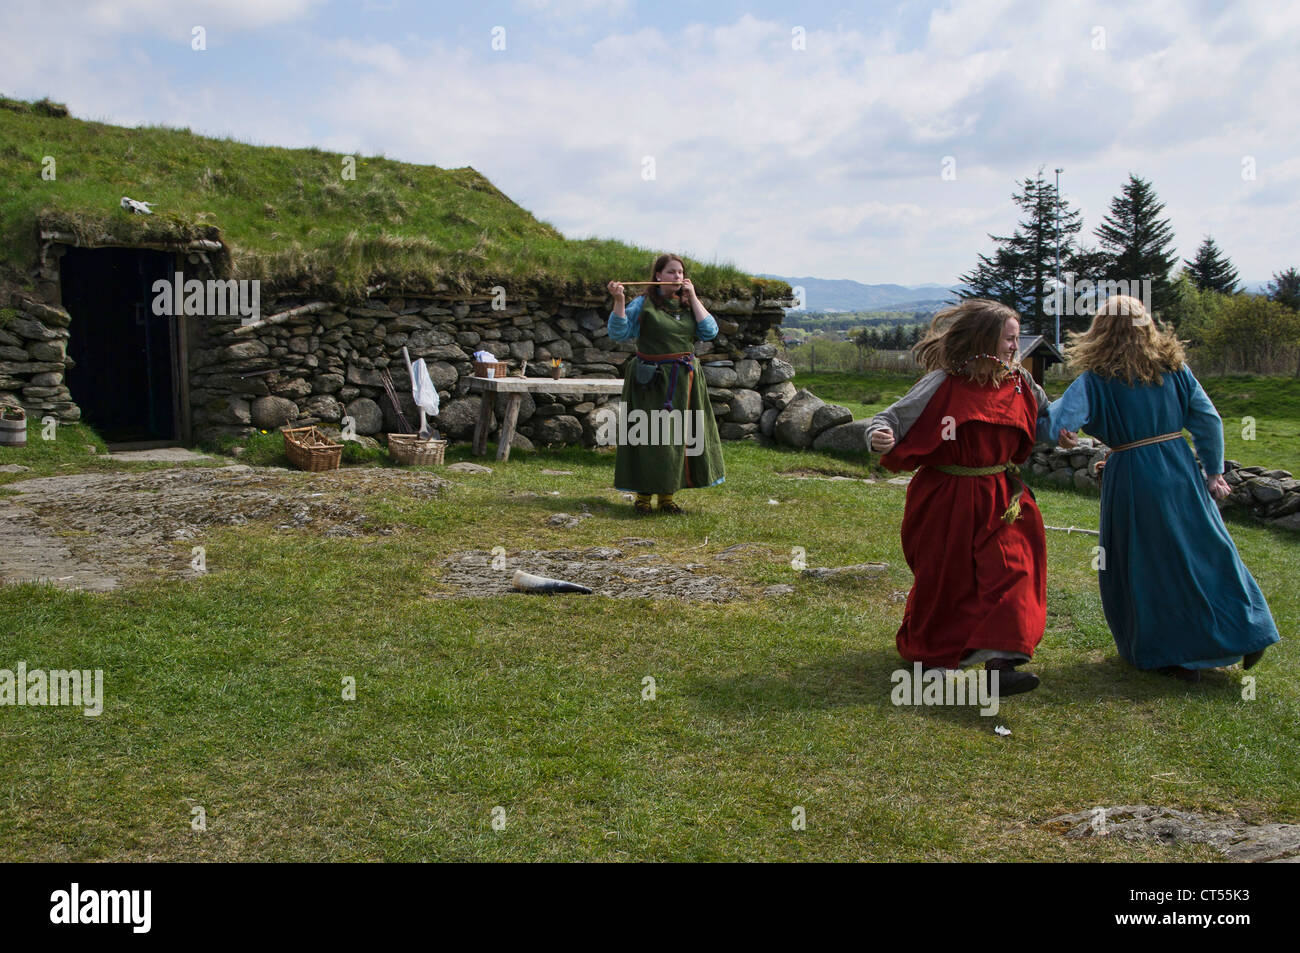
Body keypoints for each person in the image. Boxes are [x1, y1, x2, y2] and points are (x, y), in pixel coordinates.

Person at [1043, 295, 1280, 681]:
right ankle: (1246, 630)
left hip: (1133, 476)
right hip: (1179, 469)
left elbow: (1055, 424)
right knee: (1206, 550)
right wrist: (1213, 471)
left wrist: (1052, 425)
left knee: (1147, 563)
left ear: (1100, 333)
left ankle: (1171, 655)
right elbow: (1208, 420)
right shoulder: (1175, 370)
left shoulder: (1095, 381)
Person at [865, 299, 1066, 696]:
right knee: (948, 579)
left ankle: (1001, 662)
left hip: (1004, 498)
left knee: (1014, 571)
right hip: (947, 497)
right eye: (1009, 339)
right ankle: (934, 654)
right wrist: (877, 435)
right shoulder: (943, 382)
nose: (1016, 347)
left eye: (1016, 339)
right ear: (984, 339)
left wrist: (1060, 431)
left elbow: (1040, 422)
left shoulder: (1022, 383)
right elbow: (890, 418)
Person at [605, 254, 725, 514]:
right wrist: (619, 300)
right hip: (651, 381)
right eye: (671, 272)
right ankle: (643, 499)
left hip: (684, 382)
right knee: (649, 436)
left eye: (680, 273)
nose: (677, 277)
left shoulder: (687, 304)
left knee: (678, 438)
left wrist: (693, 297)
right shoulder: (643, 304)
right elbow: (618, 332)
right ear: (658, 276)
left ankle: (668, 498)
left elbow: (709, 331)